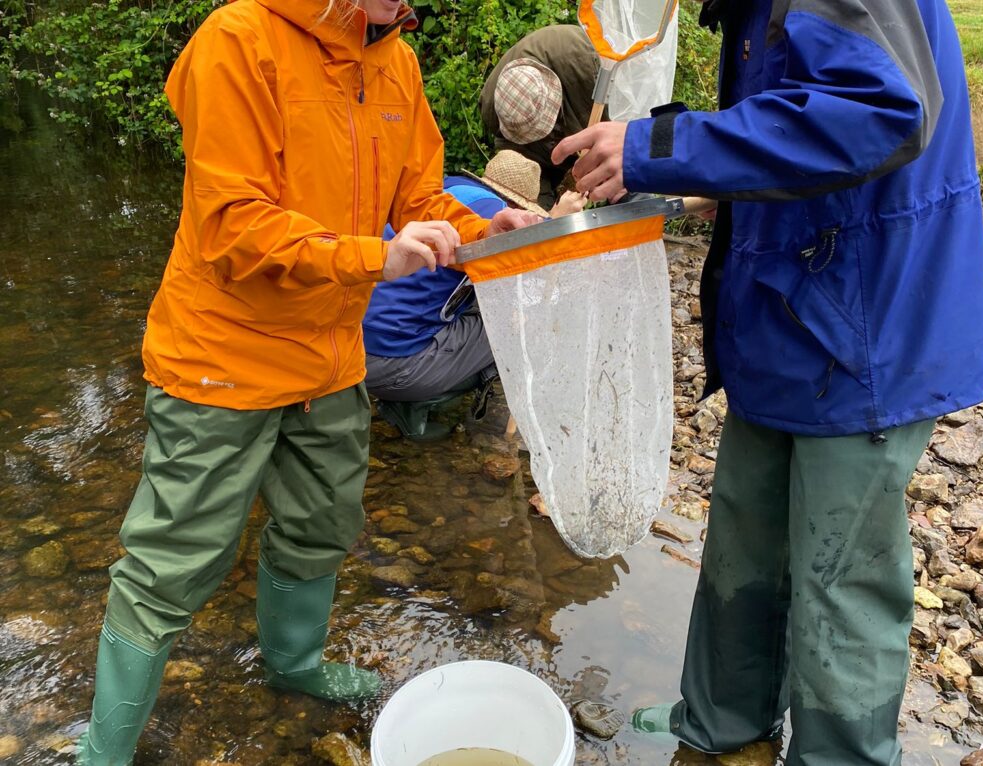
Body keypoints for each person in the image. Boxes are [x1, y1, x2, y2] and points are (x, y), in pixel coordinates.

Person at [75, 0, 538, 763]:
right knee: (171, 563)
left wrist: (485, 233)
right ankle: (104, 751)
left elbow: (417, 199)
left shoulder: (397, 59)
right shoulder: (238, 40)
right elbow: (231, 226)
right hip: (222, 358)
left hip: (331, 358)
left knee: (323, 521)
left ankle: (292, 667)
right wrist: (373, 258)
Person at [554, 1, 983, 764]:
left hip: (865, 328)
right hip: (784, 319)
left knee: (838, 583)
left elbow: (879, 111)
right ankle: (723, 725)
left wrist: (658, 144)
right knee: (743, 543)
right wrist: (658, 174)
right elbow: (780, 143)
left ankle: (838, 754)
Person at [364, 150, 585, 440]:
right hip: (396, 364)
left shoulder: (439, 195)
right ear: (517, 206)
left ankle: (408, 391)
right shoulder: (494, 214)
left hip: (352, 349)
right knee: (517, 322)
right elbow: (540, 280)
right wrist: (558, 220)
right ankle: (411, 405)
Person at [479, 25, 600, 208]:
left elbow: (620, 125)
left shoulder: (588, 65)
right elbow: (514, 154)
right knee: (533, 206)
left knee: (620, 174)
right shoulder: (491, 106)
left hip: (586, 95)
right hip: (530, 151)